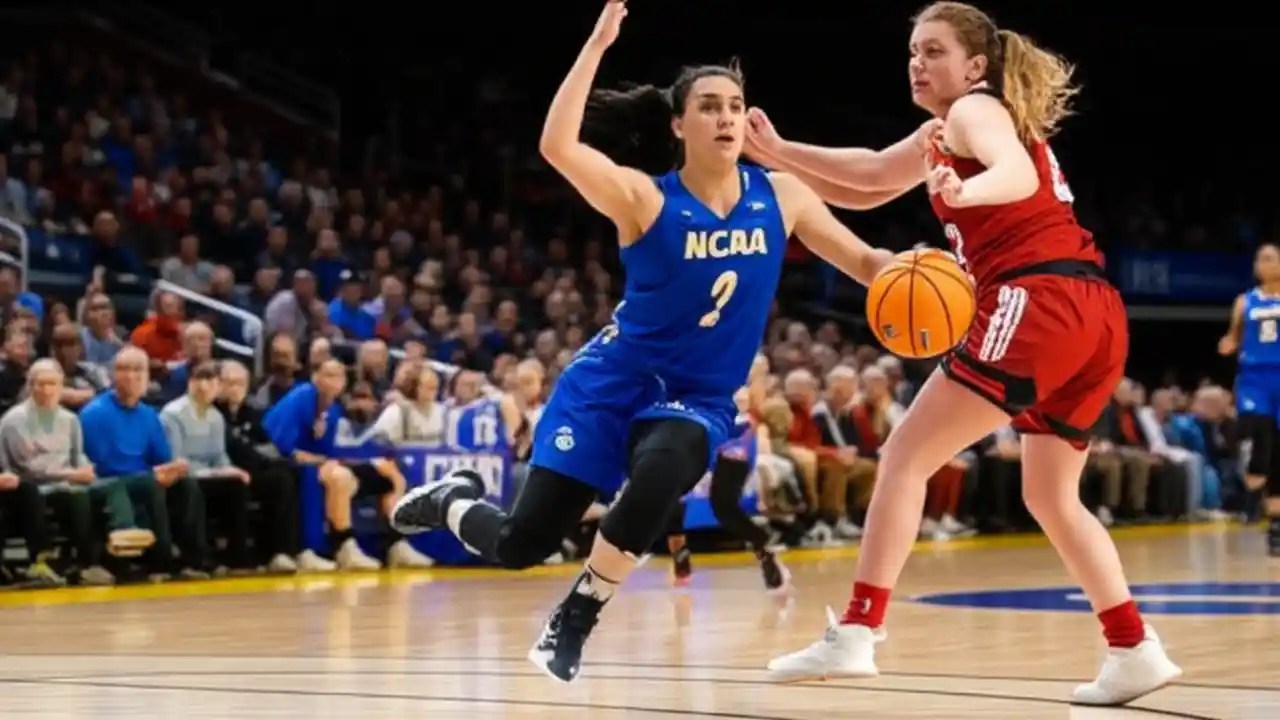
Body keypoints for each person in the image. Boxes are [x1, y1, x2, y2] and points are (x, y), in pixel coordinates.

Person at [390, 0, 892, 684]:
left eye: (736, 106)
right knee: (517, 546)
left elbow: (869, 265)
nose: (725, 118)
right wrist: (596, 45)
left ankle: (578, 614)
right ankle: (453, 499)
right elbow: (557, 148)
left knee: (666, 467)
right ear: (678, 124)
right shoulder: (644, 199)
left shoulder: (783, 196)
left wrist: (939, 276)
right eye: (709, 106)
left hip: (696, 396)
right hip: (610, 385)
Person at [754, 1, 1180, 706]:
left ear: (975, 67)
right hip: (1094, 313)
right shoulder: (946, 128)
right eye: (913, 53)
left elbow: (1011, 172)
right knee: (1048, 493)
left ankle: (858, 631)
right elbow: (867, 179)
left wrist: (968, 187)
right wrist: (780, 153)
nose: (918, 64)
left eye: (935, 52)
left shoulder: (974, 114)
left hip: (1037, 299)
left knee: (903, 457)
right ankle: (1132, 646)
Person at [1218, 242, 1280, 554]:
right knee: (1259, 433)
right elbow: (1234, 337)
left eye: (1270, 258)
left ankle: (1275, 526)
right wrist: (1228, 343)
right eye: (1260, 258)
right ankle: (1250, 497)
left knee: (1276, 455)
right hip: (1255, 379)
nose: (1263, 263)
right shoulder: (1244, 302)